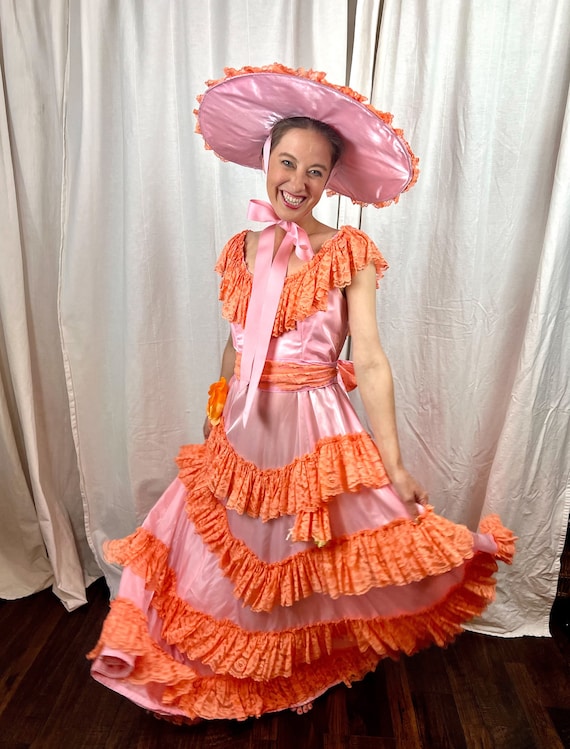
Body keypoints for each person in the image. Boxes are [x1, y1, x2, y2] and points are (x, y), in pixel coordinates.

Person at [88, 64, 515, 723]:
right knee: (235, 549)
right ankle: (238, 658)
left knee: (297, 552)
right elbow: (235, 343)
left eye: (315, 172)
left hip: (313, 423)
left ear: (331, 180)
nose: (297, 182)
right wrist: (218, 413)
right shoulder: (241, 249)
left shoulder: (347, 253)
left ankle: (292, 661)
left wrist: (395, 465)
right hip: (244, 421)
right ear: (266, 161)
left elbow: (369, 360)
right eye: (286, 163)